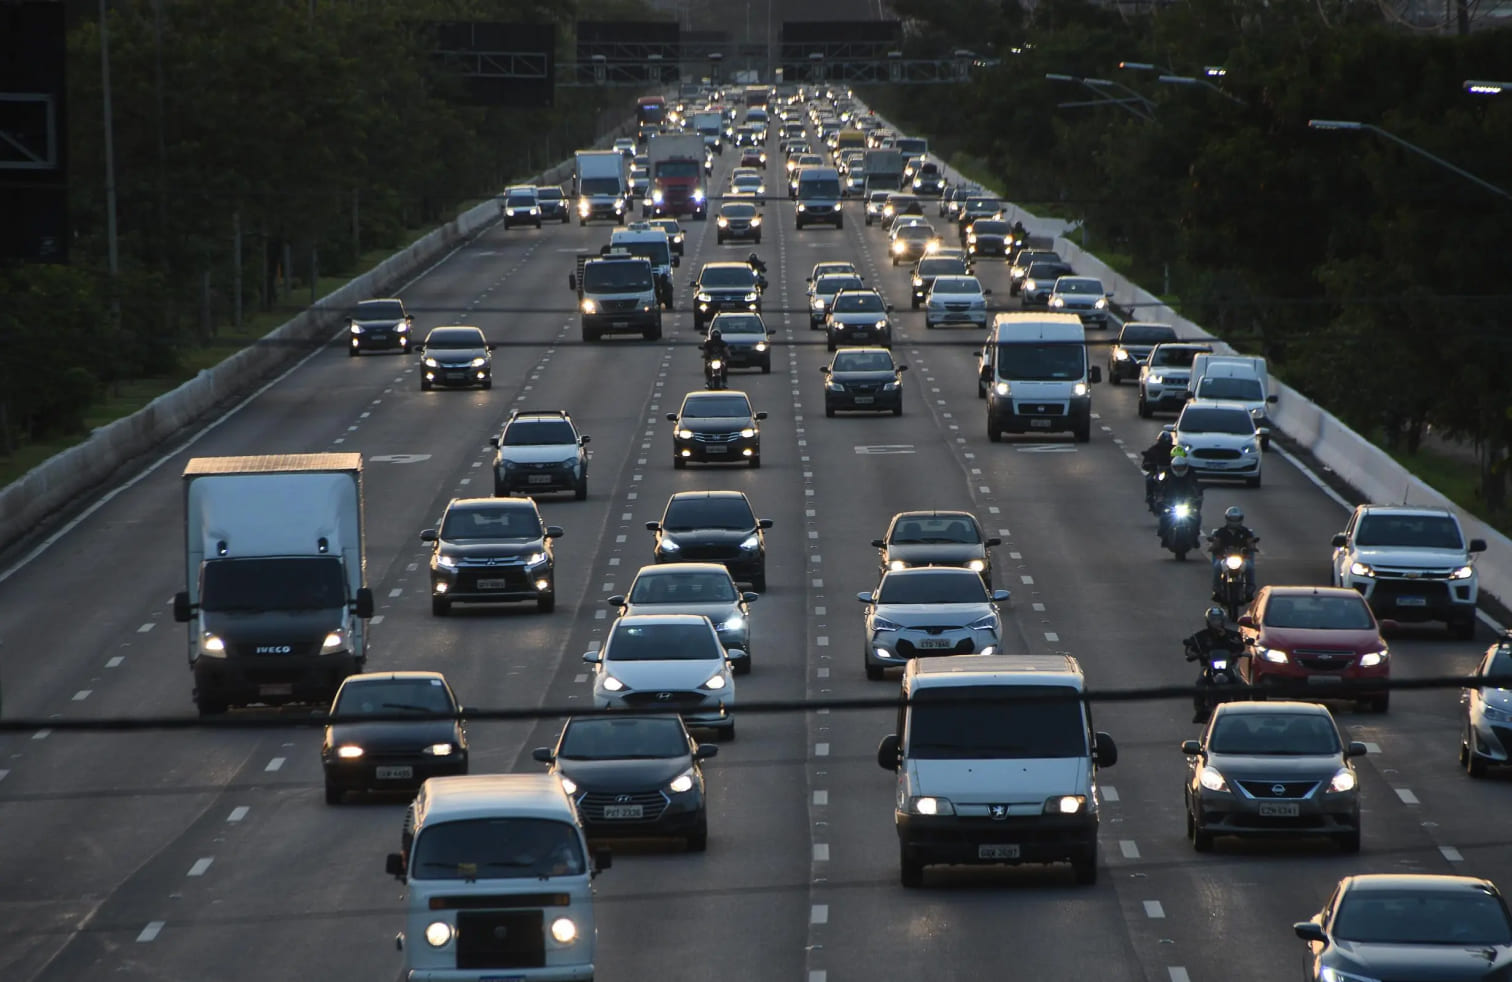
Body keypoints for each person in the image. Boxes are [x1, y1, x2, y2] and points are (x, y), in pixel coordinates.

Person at [1183, 606, 1246, 723]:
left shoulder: (1232, 635)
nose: (1216, 623)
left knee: (1241, 683)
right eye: (1213, 620)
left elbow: (1240, 646)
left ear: (1223, 620)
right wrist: (1192, 652)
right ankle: (1200, 712)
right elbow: (1190, 647)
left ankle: (1242, 710)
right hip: (1208, 667)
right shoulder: (1201, 636)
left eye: (1218, 620)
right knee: (1200, 683)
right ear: (1208, 621)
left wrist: (1235, 649)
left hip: (1229, 667)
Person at [1208, 506, 1259, 601]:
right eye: (1232, 519)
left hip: (1241, 558)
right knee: (1217, 567)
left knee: (1250, 568)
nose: (1234, 521)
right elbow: (1216, 542)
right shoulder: (1221, 532)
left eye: (1237, 519)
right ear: (1227, 519)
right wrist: (1214, 547)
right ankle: (1217, 591)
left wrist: (1252, 547)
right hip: (1225, 558)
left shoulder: (1245, 532)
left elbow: (1250, 542)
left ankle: (1249, 592)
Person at [1157, 452, 1203, 543]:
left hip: (1187, 501)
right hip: (1171, 501)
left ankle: (1195, 536)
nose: (1179, 469)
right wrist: (1161, 498)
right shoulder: (1168, 474)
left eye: (1181, 467)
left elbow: (1197, 487)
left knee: (1196, 516)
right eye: (1177, 467)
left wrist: (1198, 497)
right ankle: (1163, 535)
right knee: (1164, 516)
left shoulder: (1191, 474)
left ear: (1186, 467)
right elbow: (1161, 487)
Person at [1141, 425, 1176, 508]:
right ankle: (1149, 496)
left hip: (1171, 472)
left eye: (1167, 443)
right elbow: (1146, 460)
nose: (1165, 445)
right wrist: (1147, 464)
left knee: (1179, 481)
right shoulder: (1153, 449)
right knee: (1149, 479)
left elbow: (1182, 457)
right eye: (1163, 443)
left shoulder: (1174, 449)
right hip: (1156, 471)